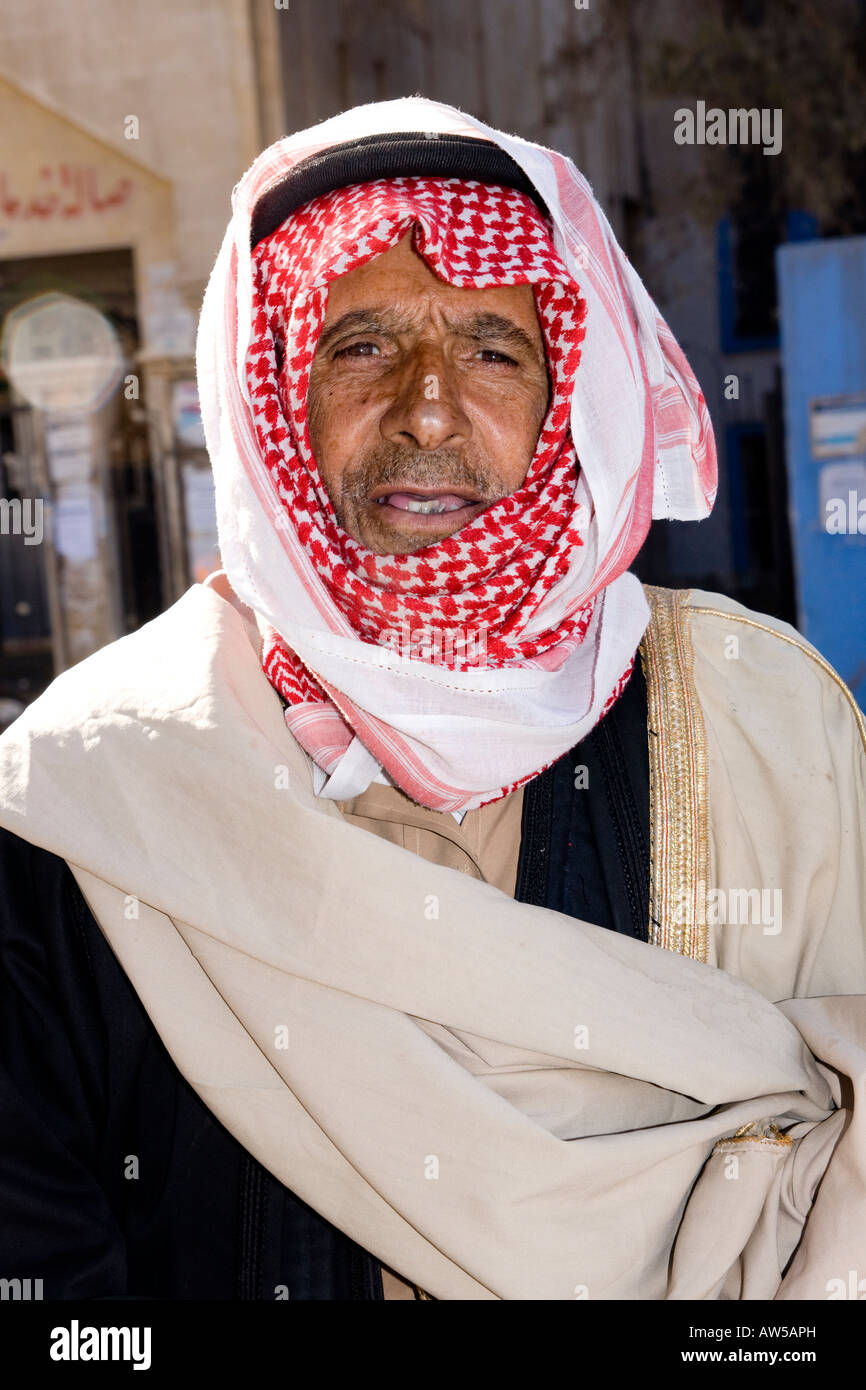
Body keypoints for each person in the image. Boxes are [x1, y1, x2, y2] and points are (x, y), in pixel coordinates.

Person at [0, 97, 864, 1302]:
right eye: (362, 345)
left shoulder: (770, 723)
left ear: (567, 397)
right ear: (273, 398)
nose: (425, 409)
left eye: (491, 350)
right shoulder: (90, 784)